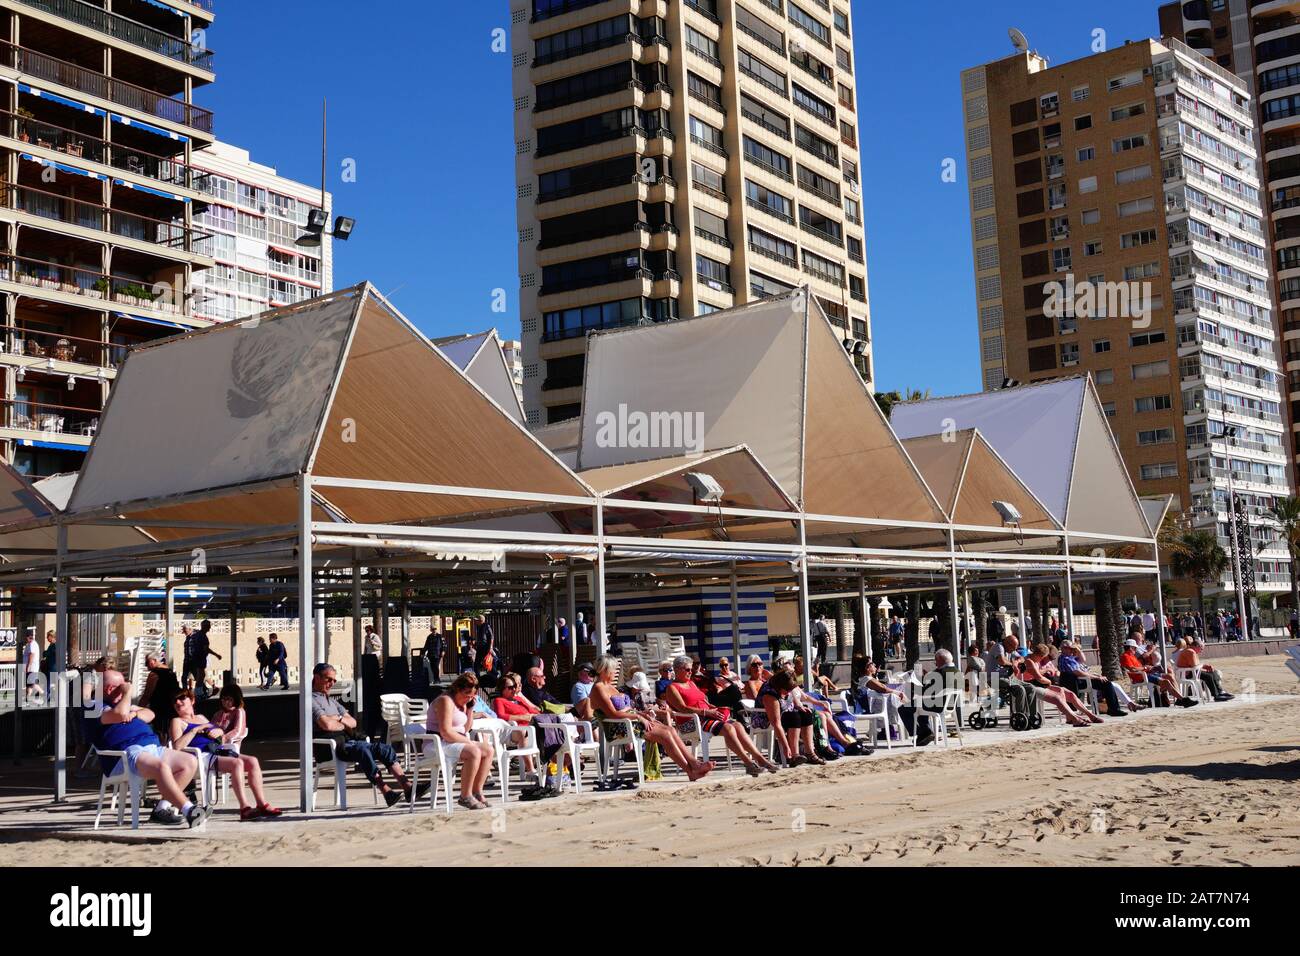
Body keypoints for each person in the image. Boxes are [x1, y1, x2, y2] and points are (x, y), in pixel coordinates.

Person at [97, 670, 206, 827]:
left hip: (151, 747)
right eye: (122, 686)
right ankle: (190, 811)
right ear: (109, 689)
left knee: (189, 762)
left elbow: (150, 714)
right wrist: (128, 694)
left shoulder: (126, 705)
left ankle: (161, 809)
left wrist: (134, 713)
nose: (126, 688)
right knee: (161, 767)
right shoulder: (97, 707)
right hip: (127, 752)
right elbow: (119, 714)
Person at [589, 654, 715, 781]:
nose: (615, 672)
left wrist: (643, 713)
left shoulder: (609, 686)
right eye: (614, 670)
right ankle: (691, 770)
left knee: (670, 730)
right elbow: (613, 714)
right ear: (605, 670)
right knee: (665, 735)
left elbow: (625, 709)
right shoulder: (599, 688)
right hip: (619, 728)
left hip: (630, 721)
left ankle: (693, 764)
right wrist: (639, 716)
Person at [312, 663, 415, 807]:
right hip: (332, 747)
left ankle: (407, 786)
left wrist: (338, 719)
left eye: (334, 681)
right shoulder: (311, 700)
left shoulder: (331, 701)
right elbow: (327, 725)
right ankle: (385, 790)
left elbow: (352, 722)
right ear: (317, 677)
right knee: (363, 749)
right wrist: (339, 721)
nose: (332, 684)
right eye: (329, 679)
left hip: (348, 742)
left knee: (384, 749)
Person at [169, 689, 281, 820]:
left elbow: (219, 732)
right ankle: (244, 808)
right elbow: (177, 746)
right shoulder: (177, 721)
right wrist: (194, 730)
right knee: (237, 763)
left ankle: (262, 804)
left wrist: (218, 731)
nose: (178, 702)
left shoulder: (201, 717)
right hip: (201, 757)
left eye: (182, 698)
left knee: (252, 761)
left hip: (217, 751)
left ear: (192, 700)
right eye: (175, 701)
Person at [661, 655, 778, 776]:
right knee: (728, 728)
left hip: (706, 717)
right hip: (691, 722)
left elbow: (703, 701)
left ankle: (760, 759)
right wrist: (706, 712)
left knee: (737, 725)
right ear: (677, 669)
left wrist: (713, 709)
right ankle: (748, 763)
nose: (691, 672)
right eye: (687, 669)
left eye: (691, 669)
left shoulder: (691, 683)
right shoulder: (672, 687)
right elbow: (683, 708)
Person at [427, 673, 495, 810]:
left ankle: (477, 791)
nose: (468, 698)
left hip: (454, 741)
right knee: (474, 751)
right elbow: (446, 732)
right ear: (457, 689)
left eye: (471, 696)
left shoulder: (463, 704)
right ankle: (465, 795)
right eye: (466, 694)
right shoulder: (445, 700)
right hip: (437, 743)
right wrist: (468, 742)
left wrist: (469, 709)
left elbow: (465, 729)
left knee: (488, 750)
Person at [1019, 646, 1100, 726]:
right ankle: (1074, 718)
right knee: (1057, 697)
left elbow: (1040, 674)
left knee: (1069, 694)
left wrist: (1048, 675)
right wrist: (1049, 681)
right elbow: (1039, 678)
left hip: (1038, 683)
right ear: (1039, 655)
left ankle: (1089, 715)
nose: (1042, 660)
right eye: (1043, 657)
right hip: (1031, 685)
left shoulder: (1035, 660)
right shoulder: (1029, 661)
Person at [754, 669, 820, 765]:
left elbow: (791, 700)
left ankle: (810, 753)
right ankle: (794, 755)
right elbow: (776, 723)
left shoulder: (786, 685)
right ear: (780, 686)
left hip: (784, 713)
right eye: (787, 690)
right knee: (794, 717)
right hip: (766, 718)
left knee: (806, 714)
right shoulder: (769, 694)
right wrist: (785, 747)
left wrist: (798, 705)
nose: (789, 692)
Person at [1056, 642, 1126, 717]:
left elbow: (1083, 659)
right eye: (1069, 648)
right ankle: (1113, 709)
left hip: (1080, 679)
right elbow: (1078, 672)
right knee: (1106, 684)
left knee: (1107, 683)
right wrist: (1096, 677)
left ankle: (1113, 708)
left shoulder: (1070, 657)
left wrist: (1078, 650)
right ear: (1063, 649)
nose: (1071, 650)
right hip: (1077, 681)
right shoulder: (1065, 659)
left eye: (1071, 649)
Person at [492, 672, 541, 774]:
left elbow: (533, 711)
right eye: (510, 687)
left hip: (531, 725)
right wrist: (522, 717)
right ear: (502, 689)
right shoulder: (499, 700)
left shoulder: (518, 699)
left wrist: (539, 716)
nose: (514, 689)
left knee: (552, 728)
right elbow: (501, 716)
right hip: (513, 729)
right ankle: (531, 770)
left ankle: (560, 765)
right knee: (524, 732)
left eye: (515, 686)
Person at [1121, 638, 1186, 706]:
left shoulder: (1131, 656)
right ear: (1131, 648)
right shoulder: (1126, 656)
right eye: (1134, 648)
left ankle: (1179, 698)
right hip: (1142, 677)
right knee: (1166, 681)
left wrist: (1147, 667)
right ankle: (1181, 699)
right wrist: (1145, 667)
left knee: (1170, 676)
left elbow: (1136, 666)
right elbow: (1132, 669)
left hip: (1146, 674)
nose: (1136, 649)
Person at [138, 652, 181, 736]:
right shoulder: (170, 672)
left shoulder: (154, 674)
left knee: (160, 733)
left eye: (147, 663)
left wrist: (139, 709)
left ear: (154, 660)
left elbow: (147, 695)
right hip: (171, 708)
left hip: (159, 710)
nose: (146, 666)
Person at [188, 620, 221, 698]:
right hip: (200, 657)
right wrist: (216, 655)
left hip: (196, 657)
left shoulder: (197, 635)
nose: (209, 627)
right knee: (201, 676)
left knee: (201, 675)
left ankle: (199, 692)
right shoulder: (203, 636)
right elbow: (206, 649)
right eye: (208, 626)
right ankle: (198, 693)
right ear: (205, 626)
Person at [22, 629, 42, 703]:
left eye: (26, 637)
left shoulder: (32, 644)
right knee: (29, 684)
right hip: (31, 667)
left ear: (28, 637)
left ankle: (43, 693)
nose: (25, 638)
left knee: (32, 683)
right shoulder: (30, 644)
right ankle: (27, 697)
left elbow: (31, 655)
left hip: (32, 668)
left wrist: (28, 666)